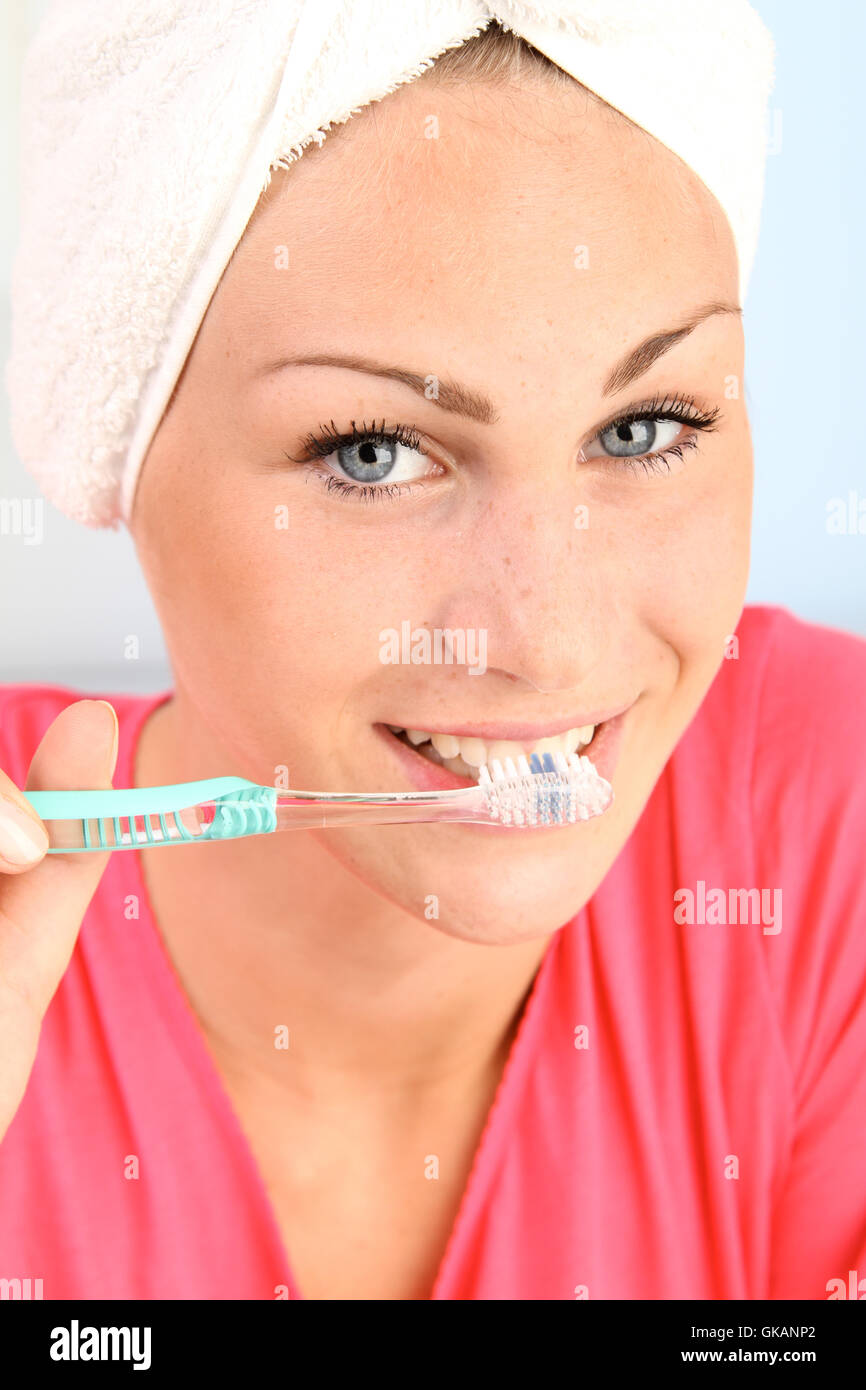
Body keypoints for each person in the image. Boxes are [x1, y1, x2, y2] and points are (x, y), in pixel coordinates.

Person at [1, 11, 865, 1302]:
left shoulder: (820, 814)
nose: (550, 641)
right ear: (119, 457)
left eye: (643, 428)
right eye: (373, 452)